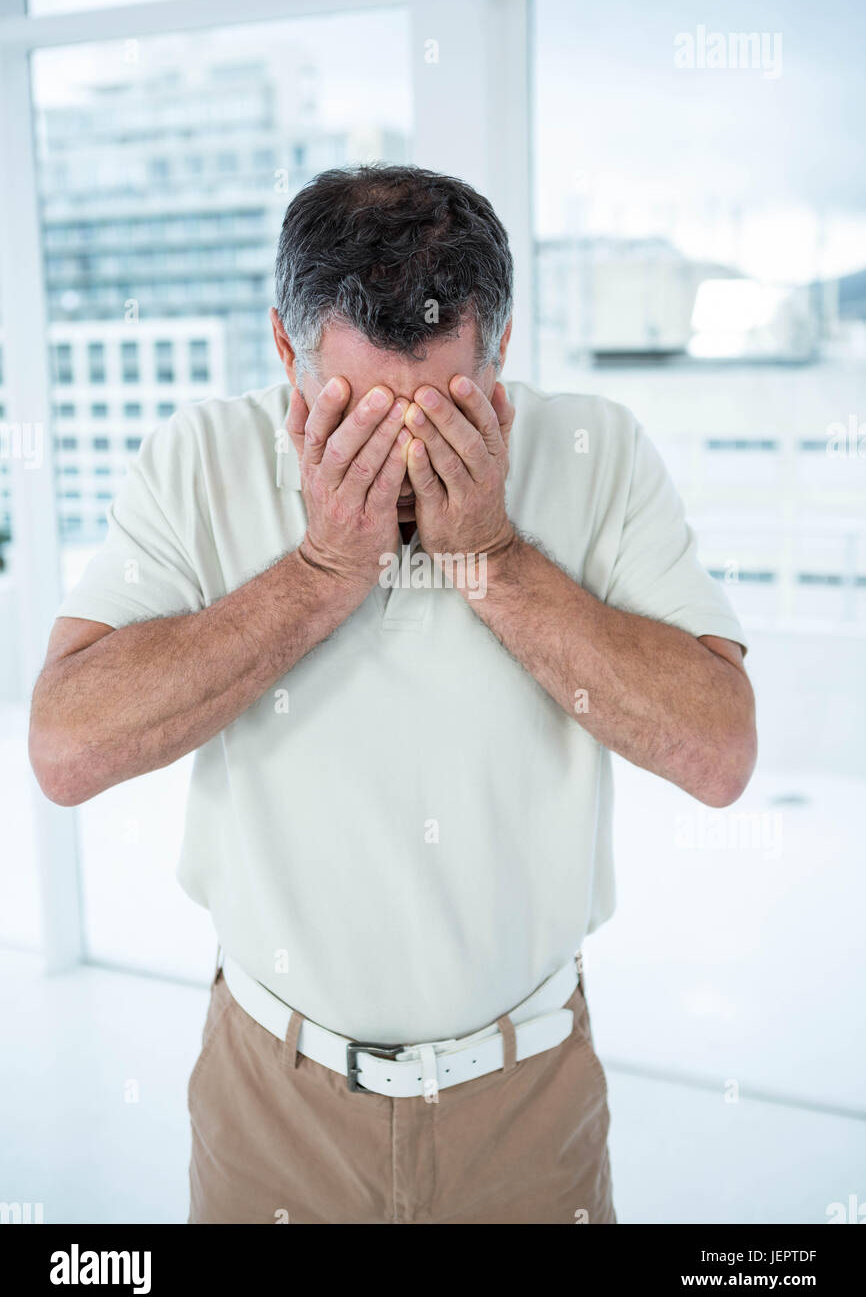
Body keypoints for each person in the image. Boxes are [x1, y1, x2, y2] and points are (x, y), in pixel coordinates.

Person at [29, 165, 756, 1224]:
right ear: (286, 349)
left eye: (442, 410)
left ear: (498, 350)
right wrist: (320, 573)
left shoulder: (598, 453)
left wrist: (494, 558)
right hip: (271, 1099)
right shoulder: (197, 459)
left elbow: (719, 752)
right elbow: (64, 748)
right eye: (359, 416)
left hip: (528, 1096)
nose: (403, 460)